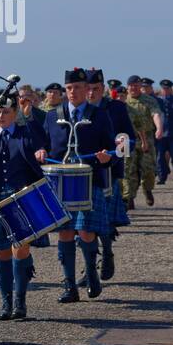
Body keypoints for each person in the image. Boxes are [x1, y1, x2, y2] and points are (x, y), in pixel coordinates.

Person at [0, 96, 49, 320]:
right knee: (2, 250)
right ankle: (5, 302)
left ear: (14, 113)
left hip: (21, 196)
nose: (0, 116)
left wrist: (29, 115)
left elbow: (41, 140)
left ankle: (19, 301)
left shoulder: (25, 132)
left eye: (5, 112)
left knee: (21, 247)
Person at [41, 68, 115, 301]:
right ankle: (69, 286)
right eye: (70, 88)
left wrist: (108, 155)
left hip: (89, 179)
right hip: (60, 182)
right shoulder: (53, 115)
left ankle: (91, 272)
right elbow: (43, 143)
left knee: (85, 230)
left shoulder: (99, 114)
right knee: (64, 232)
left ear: (87, 90)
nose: (73, 92)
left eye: (78, 88)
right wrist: (40, 151)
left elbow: (111, 147)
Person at [80, 71, 133, 283]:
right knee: (82, 224)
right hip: (82, 173)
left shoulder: (116, 108)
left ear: (103, 88)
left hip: (109, 171)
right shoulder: (78, 110)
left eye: (96, 89)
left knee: (104, 222)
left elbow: (129, 138)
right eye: (89, 89)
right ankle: (88, 268)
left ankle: (108, 253)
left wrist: (122, 144)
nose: (92, 93)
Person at [123, 75, 160, 208]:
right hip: (128, 139)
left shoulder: (148, 100)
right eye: (131, 85)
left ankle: (148, 189)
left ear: (140, 86)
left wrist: (159, 129)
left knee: (148, 168)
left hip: (147, 138)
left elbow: (155, 114)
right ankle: (129, 197)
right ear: (128, 87)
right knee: (129, 170)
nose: (133, 88)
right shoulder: (123, 102)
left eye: (136, 85)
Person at [157, 78, 173, 184]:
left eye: (167, 89)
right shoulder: (158, 101)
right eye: (164, 89)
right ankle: (161, 177)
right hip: (161, 134)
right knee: (160, 157)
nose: (165, 90)